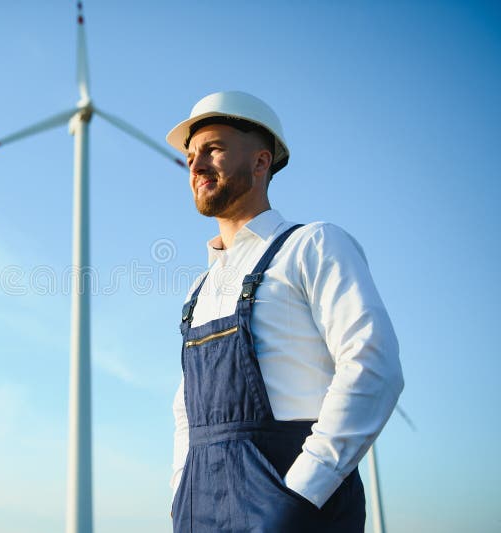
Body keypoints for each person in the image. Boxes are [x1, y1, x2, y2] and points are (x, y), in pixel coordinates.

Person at [165, 91, 404, 532]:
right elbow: (186, 411)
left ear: (261, 162)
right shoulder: (199, 288)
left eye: (213, 150)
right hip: (200, 511)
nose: (195, 166)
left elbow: (374, 366)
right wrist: (181, 497)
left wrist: (299, 497)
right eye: (192, 155)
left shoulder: (313, 245)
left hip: (295, 506)